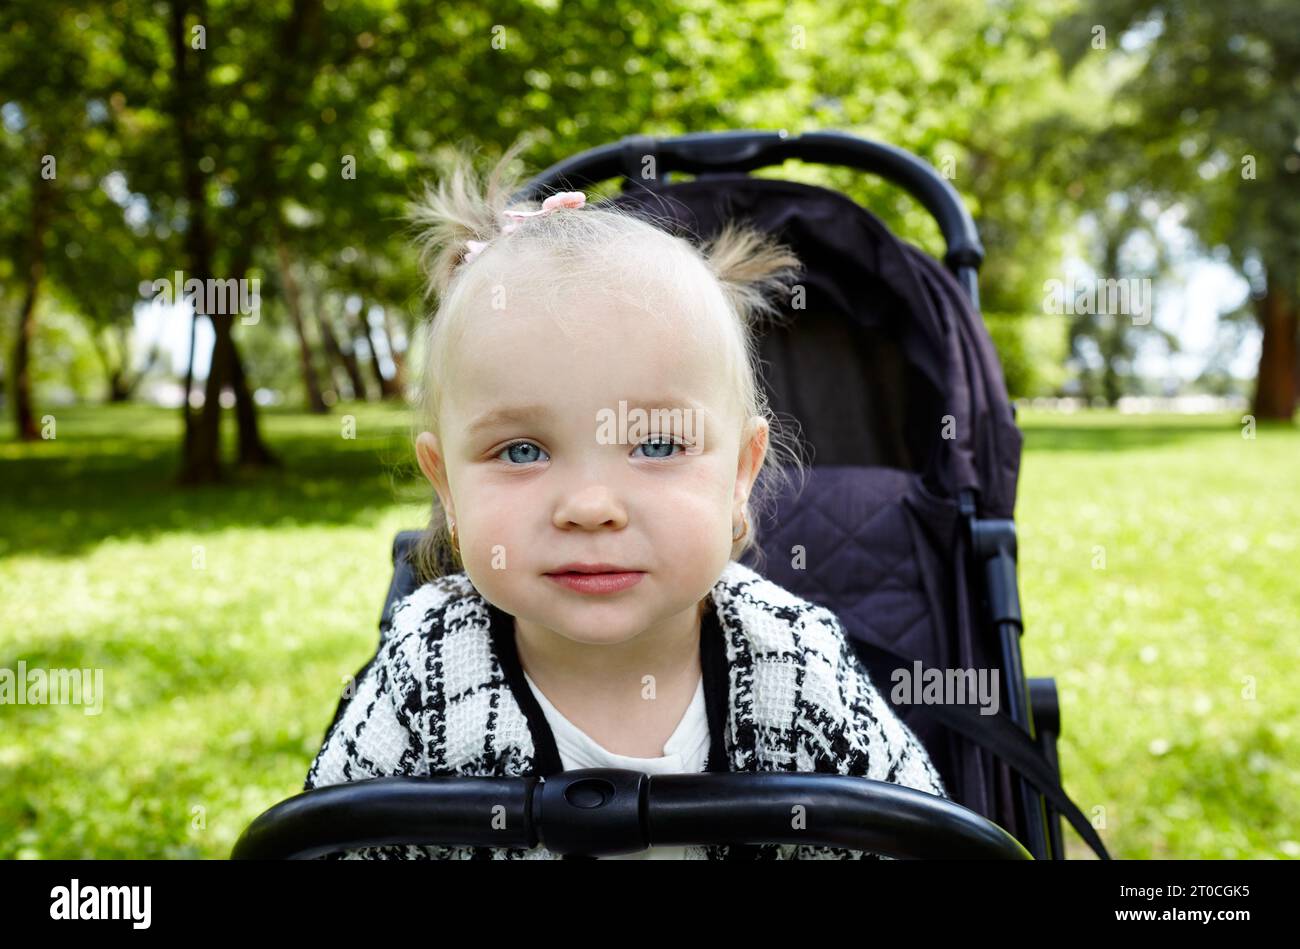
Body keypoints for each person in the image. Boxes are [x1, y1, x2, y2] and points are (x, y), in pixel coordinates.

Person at [304, 140, 948, 859]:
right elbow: (331, 842)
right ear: (447, 489)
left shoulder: (795, 667)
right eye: (522, 450)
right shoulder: (425, 677)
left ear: (740, 473)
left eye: (659, 444)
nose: (589, 506)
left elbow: (915, 837)